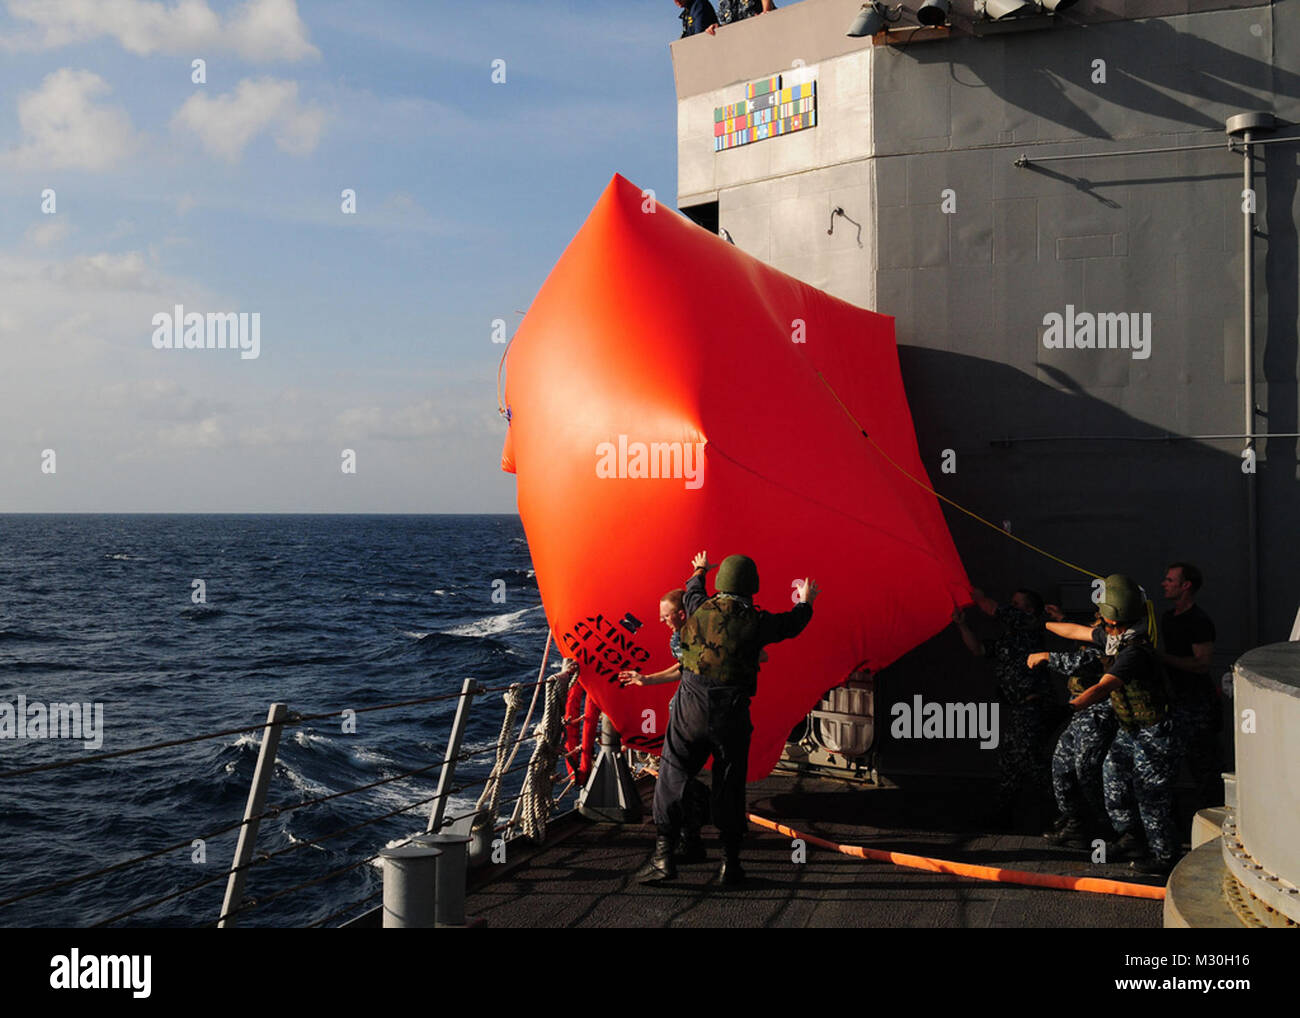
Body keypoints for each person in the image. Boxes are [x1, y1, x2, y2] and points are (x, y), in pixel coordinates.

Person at [637, 550, 818, 885]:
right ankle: (730, 866)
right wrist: (806, 600)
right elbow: (794, 624)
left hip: (689, 709)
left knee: (672, 775)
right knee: (729, 786)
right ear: (752, 586)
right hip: (731, 715)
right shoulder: (758, 622)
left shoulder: (696, 606)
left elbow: (691, 587)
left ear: (720, 584)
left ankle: (664, 857)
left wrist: (700, 568)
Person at [1045, 574, 1179, 878]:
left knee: (1150, 794)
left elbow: (1102, 688)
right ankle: (1130, 836)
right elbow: (1078, 632)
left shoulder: (1135, 652)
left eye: (1105, 622)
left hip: (1154, 732)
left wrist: (1066, 709)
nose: (1102, 627)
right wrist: (1044, 625)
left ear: (1116, 623)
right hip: (1129, 730)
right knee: (1112, 775)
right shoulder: (1116, 638)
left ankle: (1164, 855)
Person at [618, 588, 710, 861]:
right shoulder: (698, 633)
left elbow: (687, 669)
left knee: (673, 780)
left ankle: (672, 851)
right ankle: (692, 840)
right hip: (699, 712)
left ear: (681, 614)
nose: (661, 621)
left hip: (690, 714)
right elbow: (683, 668)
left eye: (665, 616)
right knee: (683, 777)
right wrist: (646, 679)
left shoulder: (690, 636)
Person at [952, 587, 1051, 829]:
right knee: (1012, 762)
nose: (1012, 608)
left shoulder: (1030, 625)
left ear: (1029, 610)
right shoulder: (1011, 639)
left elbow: (994, 609)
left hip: (1032, 708)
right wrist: (962, 625)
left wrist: (969, 591)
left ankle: (1063, 814)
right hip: (1019, 711)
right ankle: (1003, 815)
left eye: (1017, 604)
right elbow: (979, 650)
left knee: (1033, 763)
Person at [1029, 613, 1117, 847]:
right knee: (1062, 766)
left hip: (1097, 714)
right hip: (1079, 714)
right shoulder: (1096, 637)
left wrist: (1047, 656)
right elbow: (1074, 631)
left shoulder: (1110, 644)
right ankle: (1075, 821)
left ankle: (1106, 825)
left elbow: (1081, 662)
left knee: (1087, 770)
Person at [1158, 562, 1219, 813]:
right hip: (1174, 702)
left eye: (1170, 580)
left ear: (1186, 586)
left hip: (1196, 706)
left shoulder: (1199, 621)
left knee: (1203, 765)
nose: (1164, 583)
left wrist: (1160, 658)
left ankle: (1213, 816)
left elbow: (1201, 664)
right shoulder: (1167, 618)